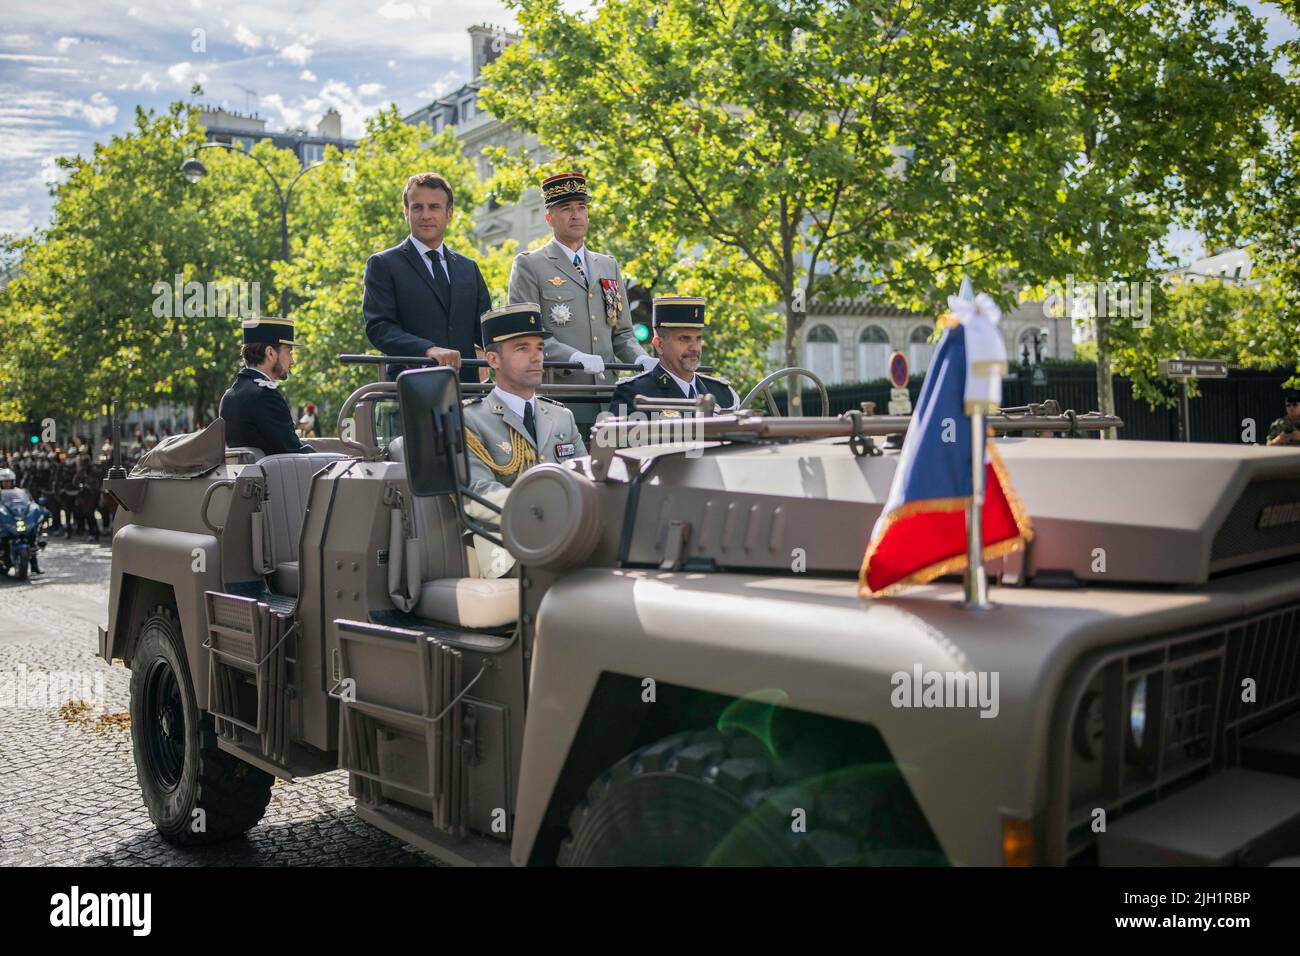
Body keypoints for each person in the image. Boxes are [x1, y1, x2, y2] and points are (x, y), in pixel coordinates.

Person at [461, 302, 587, 577]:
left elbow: (585, 478)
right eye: (522, 348)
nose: (536, 357)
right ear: (492, 360)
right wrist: (550, 511)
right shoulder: (470, 419)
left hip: (570, 539)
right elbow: (477, 496)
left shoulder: (561, 416)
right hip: (508, 548)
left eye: (539, 348)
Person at [507, 170, 654, 390]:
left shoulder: (607, 265)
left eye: (581, 207)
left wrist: (640, 358)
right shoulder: (530, 265)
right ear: (549, 218)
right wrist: (573, 356)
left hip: (607, 394)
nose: (576, 215)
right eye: (566, 209)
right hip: (560, 393)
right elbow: (528, 334)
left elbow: (621, 333)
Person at [363, 171, 492, 384]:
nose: (425, 215)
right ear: (406, 212)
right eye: (417, 207)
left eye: (434, 207)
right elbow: (379, 327)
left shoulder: (469, 268)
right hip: (410, 389)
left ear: (449, 214)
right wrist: (427, 349)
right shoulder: (383, 264)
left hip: (467, 389)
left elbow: (486, 329)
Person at [607, 296, 739, 419]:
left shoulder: (723, 393)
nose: (694, 348)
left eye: (698, 339)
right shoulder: (634, 395)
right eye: (684, 339)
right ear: (659, 345)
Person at [218, 317, 315, 456]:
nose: (292, 361)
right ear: (270, 353)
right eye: (289, 351)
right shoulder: (265, 395)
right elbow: (295, 453)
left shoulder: (229, 395)